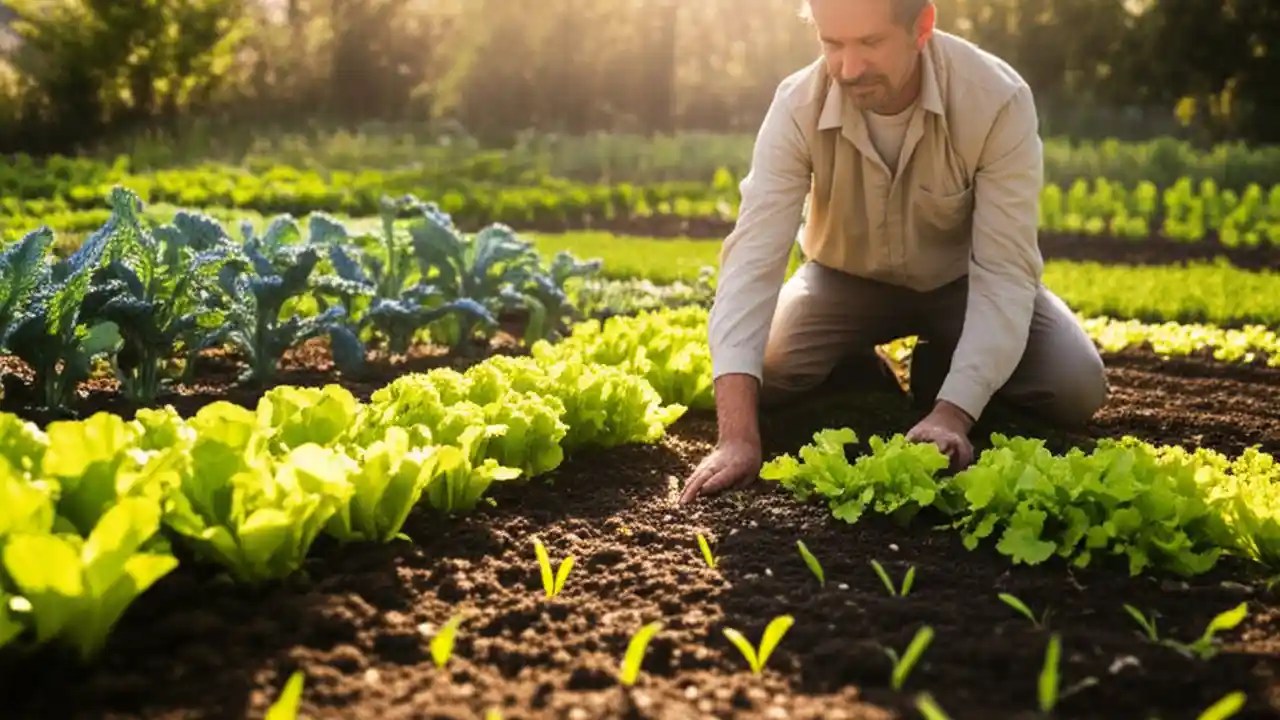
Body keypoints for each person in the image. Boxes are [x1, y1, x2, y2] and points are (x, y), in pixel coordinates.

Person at [678, 0, 1108, 505]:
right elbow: (752, 258)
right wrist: (737, 439)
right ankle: (860, 367)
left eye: (870, 43)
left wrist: (954, 413)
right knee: (764, 369)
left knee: (1074, 385)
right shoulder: (797, 104)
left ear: (922, 25)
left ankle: (944, 367)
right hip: (843, 281)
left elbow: (1004, 272)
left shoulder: (995, 100)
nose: (849, 68)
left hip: (962, 286)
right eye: (831, 43)